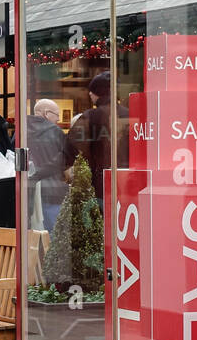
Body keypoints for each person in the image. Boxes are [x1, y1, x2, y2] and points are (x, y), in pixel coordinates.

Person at [67, 71, 128, 202]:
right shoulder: (129, 114)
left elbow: (70, 149)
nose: (89, 94)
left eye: (92, 91)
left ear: (98, 93)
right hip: (127, 183)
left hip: (98, 186)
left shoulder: (89, 117)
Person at [26, 98, 69, 231]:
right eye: (57, 115)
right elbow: (66, 162)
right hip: (53, 194)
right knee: (53, 239)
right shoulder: (56, 132)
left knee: (31, 240)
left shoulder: (21, 131)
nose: (58, 119)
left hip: (27, 193)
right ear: (46, 113)